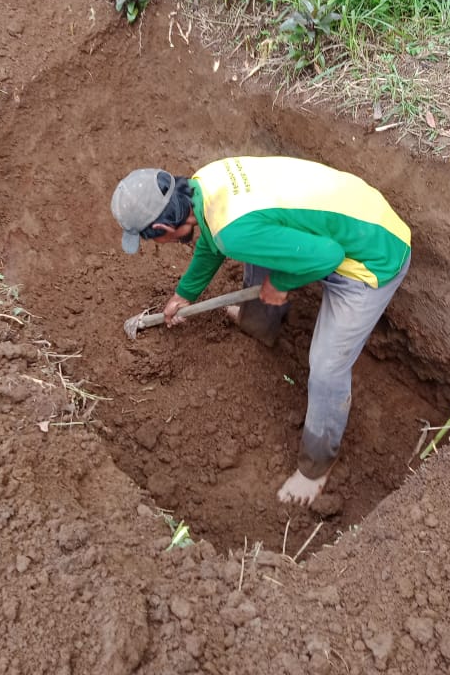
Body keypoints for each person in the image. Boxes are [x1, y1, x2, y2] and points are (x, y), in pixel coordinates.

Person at [111, 155, 410, 505]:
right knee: (256, 246)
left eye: (150, 241)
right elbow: (213, 241)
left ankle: (314, 469)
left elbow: (328, 256)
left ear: (161, 231)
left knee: (327, 367)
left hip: (373, 256)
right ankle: (259, 325)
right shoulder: (205, 184)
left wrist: (280, 283)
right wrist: (184, 294)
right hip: (353, 210)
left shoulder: (233, 232)